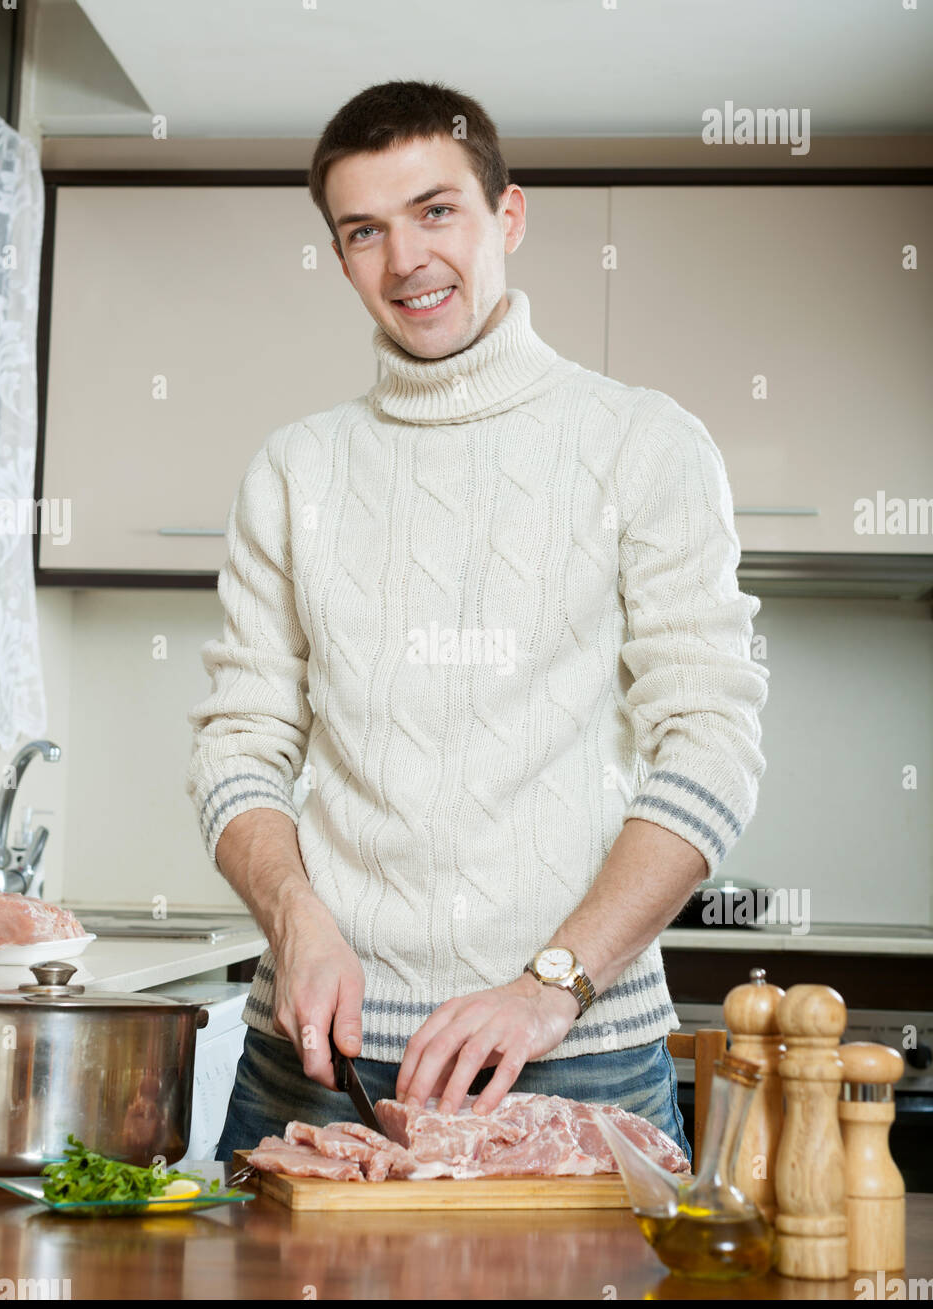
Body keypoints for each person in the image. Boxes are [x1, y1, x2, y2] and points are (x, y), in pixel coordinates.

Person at [185, 79, 769, 1166]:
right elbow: (238, 746)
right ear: (342, 256)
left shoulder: (644, 443)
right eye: (364, 230)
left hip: (577, 1051)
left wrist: (552, 983)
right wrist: (296, 920)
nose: (404, 258)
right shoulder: (293, 470)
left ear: (506, 215)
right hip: (318, 1057)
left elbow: (713, 744)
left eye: (435, 210)